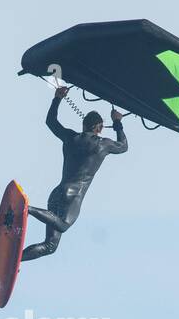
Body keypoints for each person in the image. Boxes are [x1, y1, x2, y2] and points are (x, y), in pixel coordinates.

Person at [21, 86, 127, 261]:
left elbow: (51, 122)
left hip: (57, 193)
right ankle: (27, 208)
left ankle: (17, 259)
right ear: (99, 128)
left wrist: (57, 98)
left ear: (83, 124)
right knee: (62, 225)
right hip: (73, 196)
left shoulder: (70, 137)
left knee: (50, 246)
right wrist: (117, 122)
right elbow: (123, 146)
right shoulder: (103, 144)